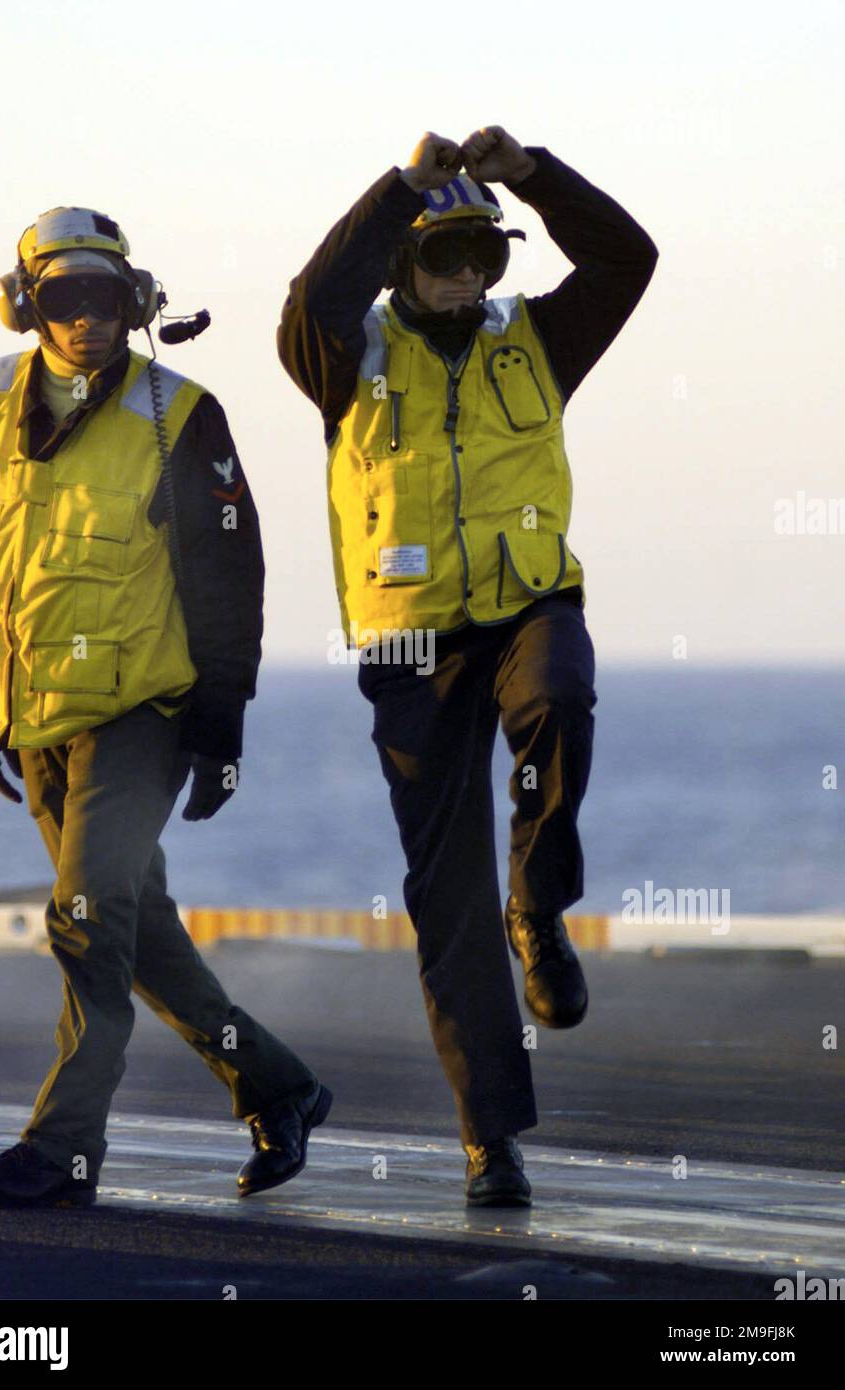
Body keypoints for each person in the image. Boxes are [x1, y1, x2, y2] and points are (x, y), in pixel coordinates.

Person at [278, 127, 657, 1206]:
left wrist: (531, 172)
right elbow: (309, 298)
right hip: (407, 644)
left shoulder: (537, 339)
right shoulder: (341, 355)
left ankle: (537, 905)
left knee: (560, 692)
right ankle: (490, 1137)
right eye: (443, 256)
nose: (463, 278)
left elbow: (628, 257)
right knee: (443, 901)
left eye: (481, 259)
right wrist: (399, 188)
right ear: (403, 259)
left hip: (527, 604)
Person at [0, 206, 331, 1208]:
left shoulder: (180, 410)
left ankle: (61, 1151)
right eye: (65, 299)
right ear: (27, 304)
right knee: (136, 931)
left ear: (137, 301)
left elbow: (229, 570)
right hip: (30, 714)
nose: (88, 320)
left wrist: (222, 720)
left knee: (82, 915)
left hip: (140, 714)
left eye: (107, 300)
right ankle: (276, 1083)